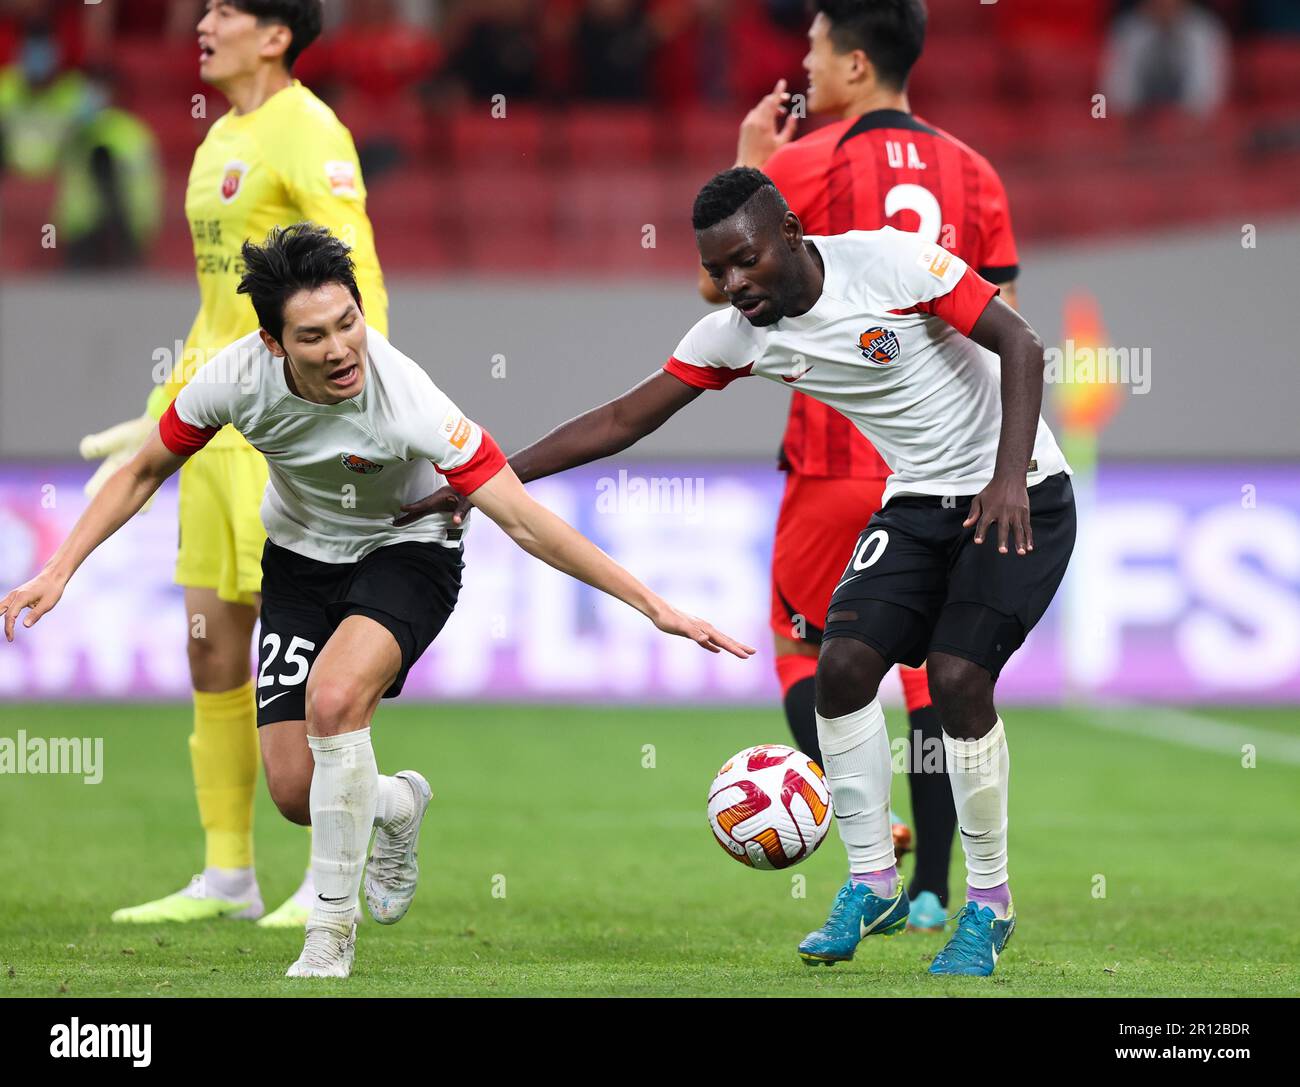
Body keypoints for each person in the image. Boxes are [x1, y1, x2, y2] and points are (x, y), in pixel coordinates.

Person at [2, 222, 754, 979]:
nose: (339, 349)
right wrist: (62, 567)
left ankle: (329, 934)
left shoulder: (410, 401)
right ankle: (395, 804)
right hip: (297, 561)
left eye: (347, 323)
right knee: (298, 791)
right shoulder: (232, 380)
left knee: (333, 701)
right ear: (273, 344)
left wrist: (654, 605)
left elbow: (524, 521)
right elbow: (142, 470)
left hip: (408, 551)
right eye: (312, 336)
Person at [401, 168, 1075, 977]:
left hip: (1023, 488)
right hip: (918, 499)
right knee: (843, 665)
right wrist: (486, 480)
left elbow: (1021, 343)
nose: (732, 284)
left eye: (744, 260)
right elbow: (621, 419)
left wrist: (1007, 478)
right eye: (718, 271)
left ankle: (990, 904)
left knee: (960, 677)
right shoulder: (738, 333)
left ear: (790, 233)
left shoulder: (891, 263)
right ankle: (870, 880)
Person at [696, 0, 1024, 933]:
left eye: (812, 47)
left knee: (811, 647)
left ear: (851, 63)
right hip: (946, 462)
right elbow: (993, 318)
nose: (804, 63)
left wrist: (749, 155)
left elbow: (722, 284)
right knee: (935, 674)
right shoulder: (975, 171)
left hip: (834, 454)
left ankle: (869, 837)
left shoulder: (797, 164)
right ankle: (931, 895)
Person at [79, 0, 390, 928]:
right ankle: (226, 873)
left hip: (286, 430)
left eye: (223, 8)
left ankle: (325, 875)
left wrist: (359, 408)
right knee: (212, 642)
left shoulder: (309, 129)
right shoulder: (221, 139)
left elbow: (357, 279)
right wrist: (157, 417)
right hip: (217, 428)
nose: (201, 22)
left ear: (277, 32)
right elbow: (220, 308)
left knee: (309, 649)